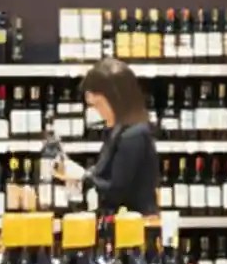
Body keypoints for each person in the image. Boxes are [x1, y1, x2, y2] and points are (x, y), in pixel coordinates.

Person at [53, 58, 160, 215]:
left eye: (99, 105)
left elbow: (117, 189)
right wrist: (83, 175)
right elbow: (105, 174)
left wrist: (83, 177)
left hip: (133, 227)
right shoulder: (119, 130)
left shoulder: (133, 135)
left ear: (117, 99)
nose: (98, 112)